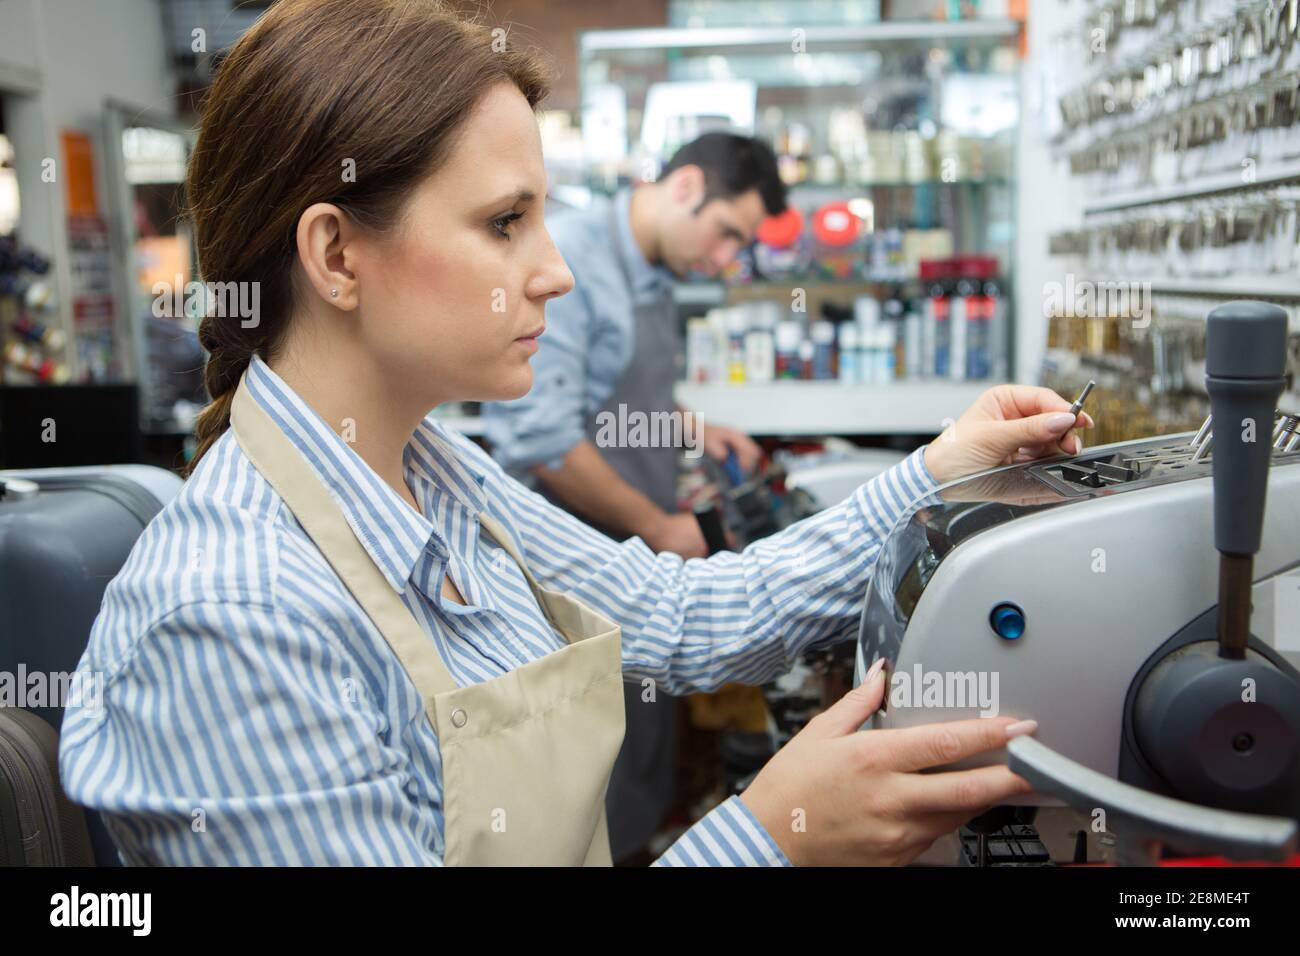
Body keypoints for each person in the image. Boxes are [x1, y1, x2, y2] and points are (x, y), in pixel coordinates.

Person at [59, 0, 1092, 867]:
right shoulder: (234, 613)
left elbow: (684, 617)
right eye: (506, 223)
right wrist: (771, 834)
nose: (554, 270)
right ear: (336, 255)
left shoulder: (436, 471)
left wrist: (934, 472)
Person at [482, 132, 782, 861]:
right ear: (685, 187)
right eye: (727, 233)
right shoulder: (576, 260)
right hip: (569, 572)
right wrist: (659, 526)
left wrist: (692, 426)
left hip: (633, 563)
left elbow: (609, 398)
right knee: (587, 771)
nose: (726, 258)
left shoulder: (653, 271)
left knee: (641, 741)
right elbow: (545, 438)